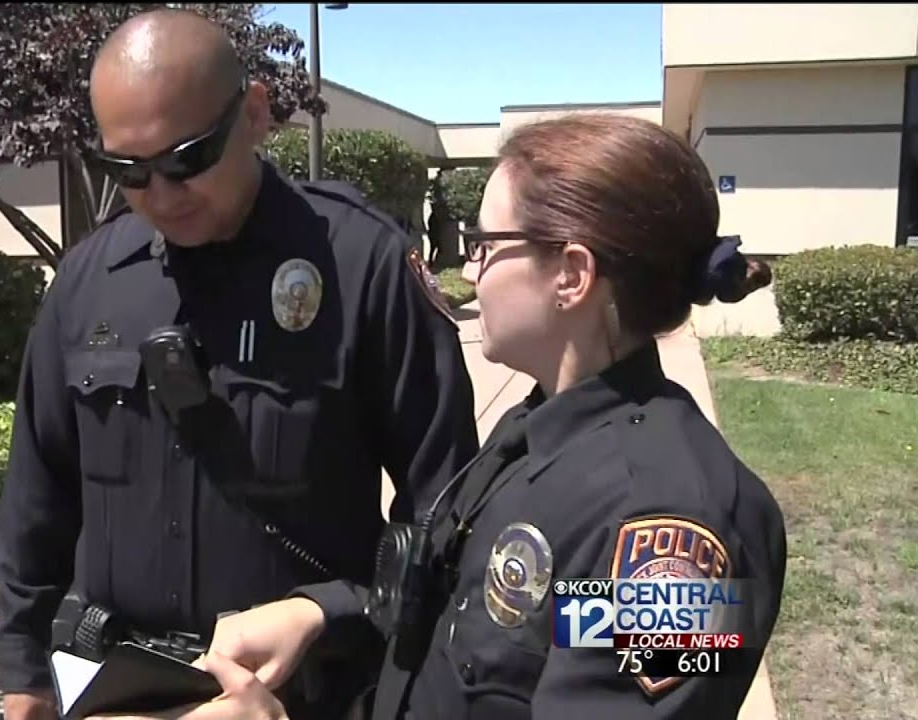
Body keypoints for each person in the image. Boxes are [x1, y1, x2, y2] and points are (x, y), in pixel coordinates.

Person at [164, 113, 789, 719]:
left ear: (572, 275)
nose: (468, 270)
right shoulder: (535, 433)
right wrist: (323, 614)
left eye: (484, 246)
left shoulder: (675, 528)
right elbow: (456, 610)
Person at [0, 8, 480, 720]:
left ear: (253, 114)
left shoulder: (360, 266)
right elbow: (37, 496)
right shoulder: (88, 281)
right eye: (128, 171)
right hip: (121, 696)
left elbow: (448, 507)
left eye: (186, 159)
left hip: (301, 697)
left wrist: (335, 610)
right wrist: (24, 673)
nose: (161, 195)